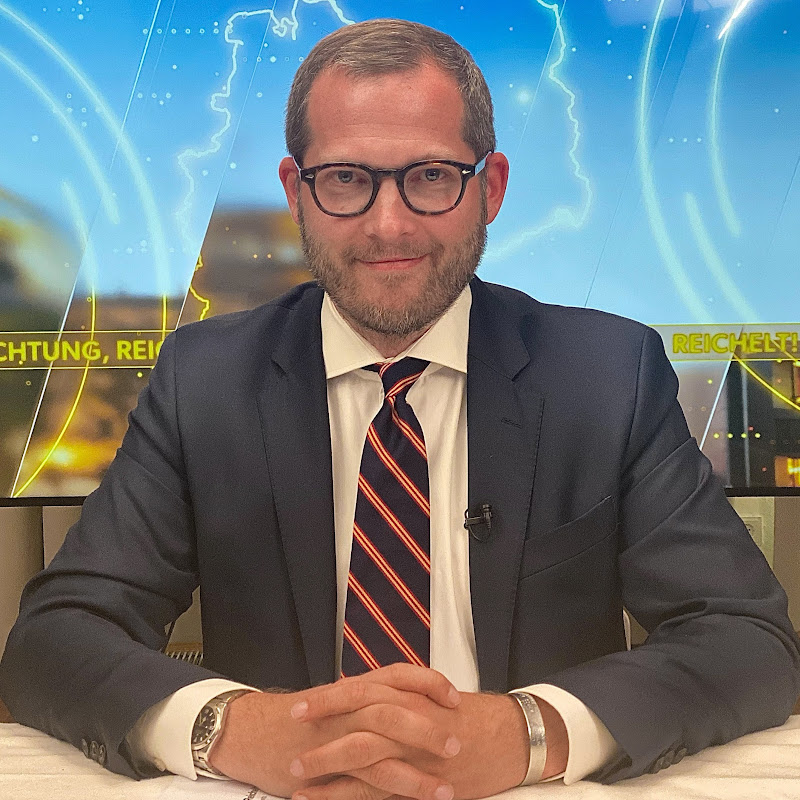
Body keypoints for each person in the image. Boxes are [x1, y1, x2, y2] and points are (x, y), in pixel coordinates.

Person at [1, 18, 798, 800]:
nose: (388, 225)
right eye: (347, 179)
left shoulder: (608, 375)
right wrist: (238, 730)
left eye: (431, 176)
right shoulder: (202, 381)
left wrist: (528, 735)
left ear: (490, 188)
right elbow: (56, 637)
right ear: (297, 192)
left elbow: (746, 638)